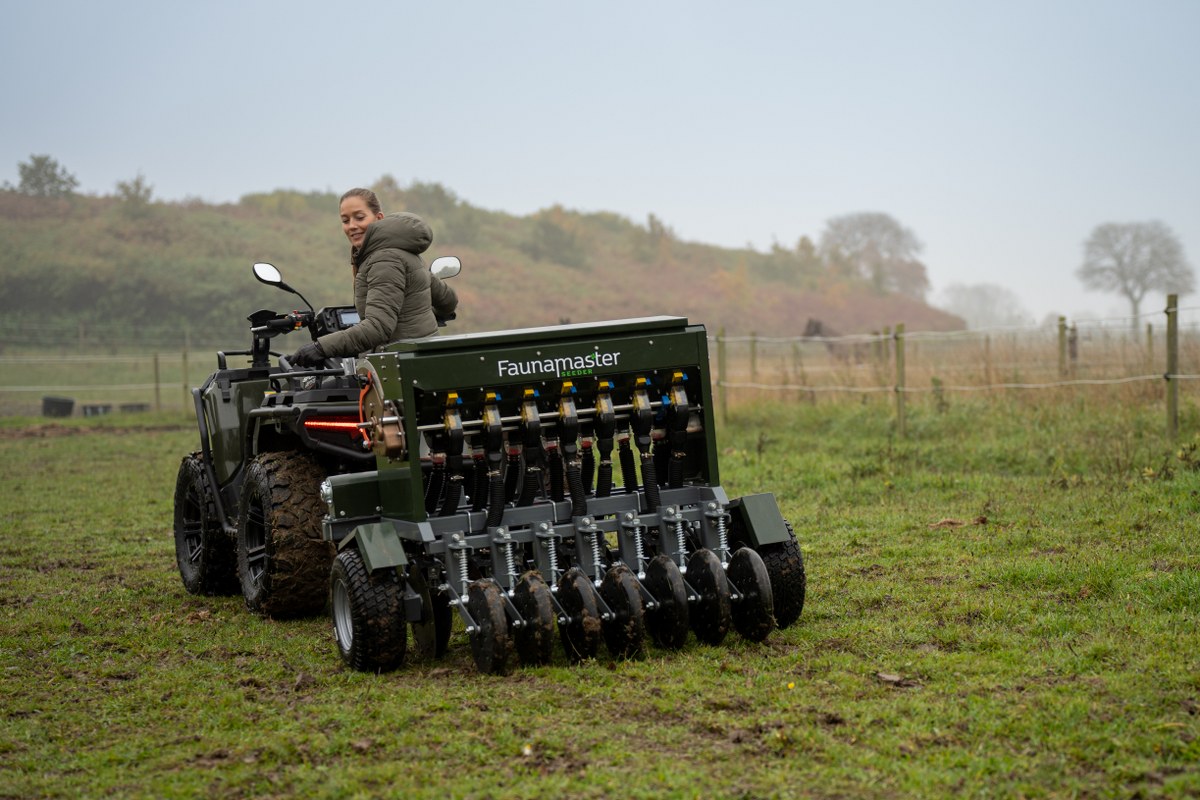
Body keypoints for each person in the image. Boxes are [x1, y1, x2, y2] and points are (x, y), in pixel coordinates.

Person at [289, 188, 458, 366]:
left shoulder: (384, 260)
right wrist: (421, 319)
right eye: (345, 220)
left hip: (397, 365)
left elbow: (378, 327)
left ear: (378, 218)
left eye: (360, 217)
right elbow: (449, 300)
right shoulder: (404, 254)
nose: (352, 225)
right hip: (418, 360)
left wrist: (319, 348)